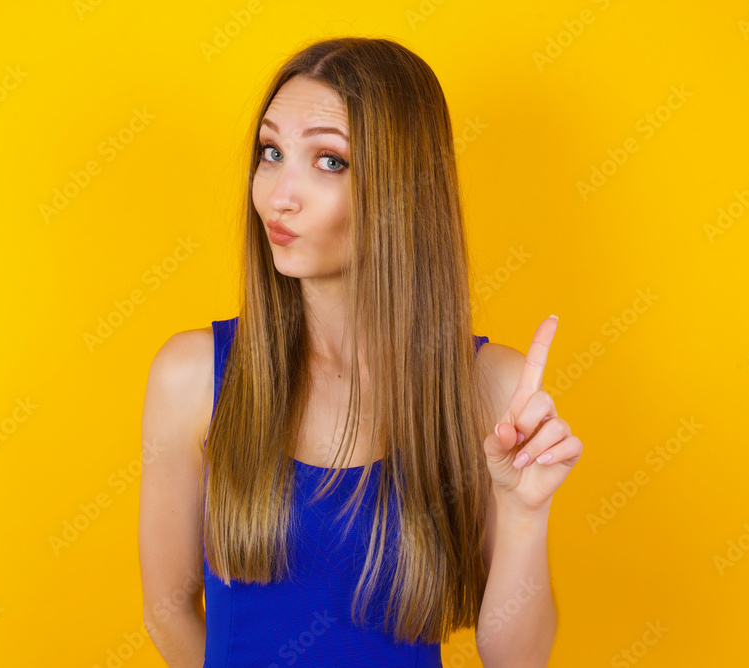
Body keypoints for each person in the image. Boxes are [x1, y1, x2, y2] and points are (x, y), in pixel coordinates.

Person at [138, 37, 582, 668]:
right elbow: (167, 613)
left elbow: (517, 660)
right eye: (271, 152)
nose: (277, 195)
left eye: (329, 162)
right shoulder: (192, 377)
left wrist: (523, 513)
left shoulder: (492, 388)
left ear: (403, 189)